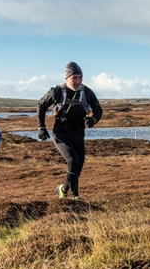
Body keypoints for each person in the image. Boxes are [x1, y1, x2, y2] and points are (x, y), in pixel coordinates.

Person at [36, 62, 103, 200]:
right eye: (74, 78)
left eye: (80, 77)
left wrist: (93, 120)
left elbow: (98, 110)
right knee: (73, 161)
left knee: (77, 167)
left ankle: (63, 189)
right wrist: (41, 127)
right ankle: (75, 196)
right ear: (66, 78)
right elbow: (41, 105)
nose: (77, 81)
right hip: (61, 133)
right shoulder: (57, 92)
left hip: (78, 134)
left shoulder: (87, 92)